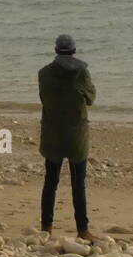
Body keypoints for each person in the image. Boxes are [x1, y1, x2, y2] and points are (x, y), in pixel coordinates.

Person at [37, 33, 96, 240]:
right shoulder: (81, 73)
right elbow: (91, 98)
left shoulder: (43, 73)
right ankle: (82, 230)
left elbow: (44, 98)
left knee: (50, 182)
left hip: (52, 132)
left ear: (55, 50)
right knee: (78, 184)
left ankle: (46, 228)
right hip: (76, 134)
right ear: (74, 51)